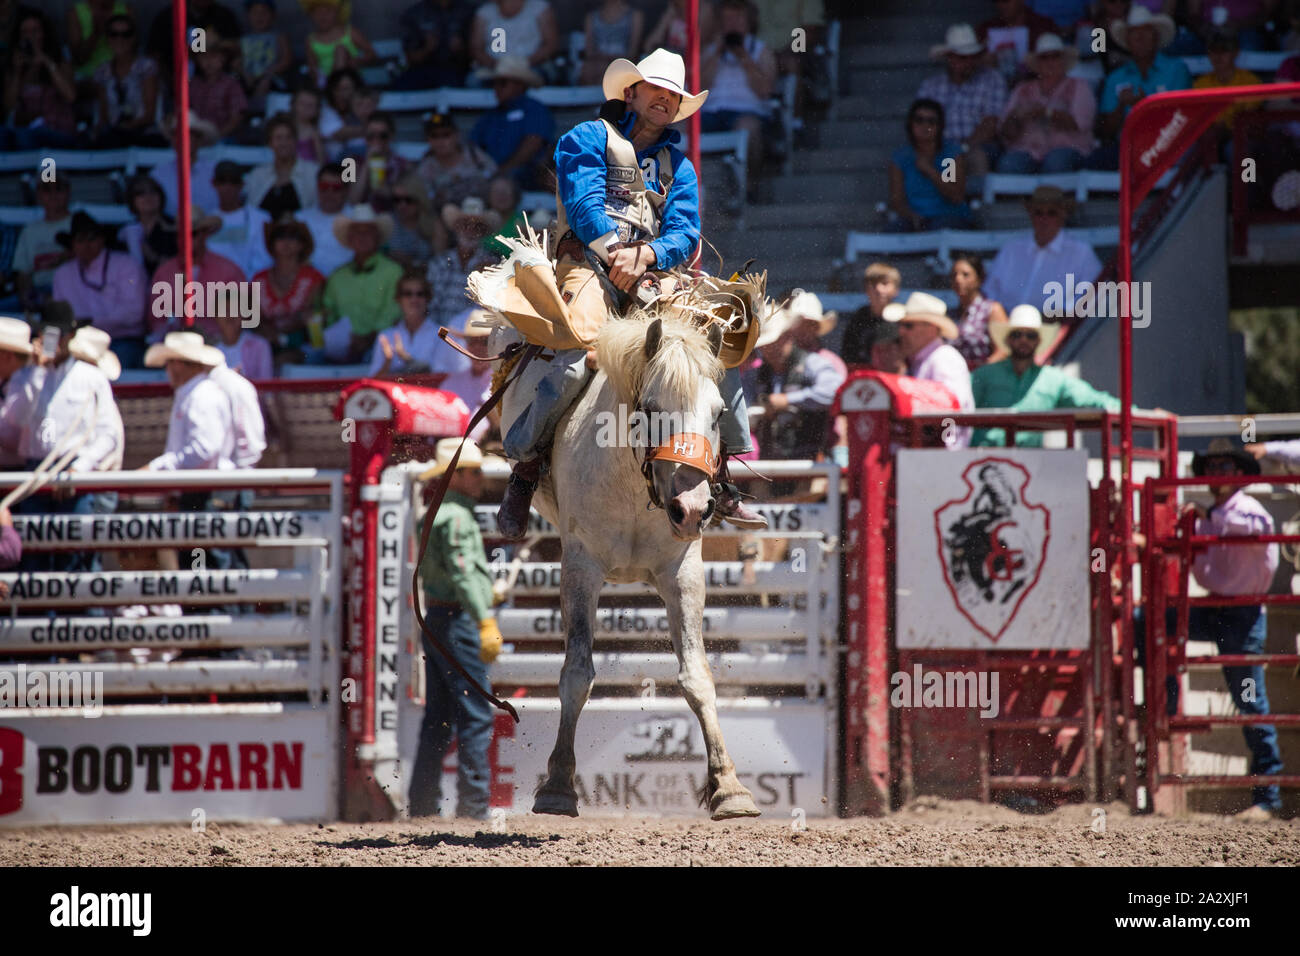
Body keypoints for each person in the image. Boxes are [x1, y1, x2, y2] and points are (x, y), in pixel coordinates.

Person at [498, 48, 766, 537]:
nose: (665, 99)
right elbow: (581, 203)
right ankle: (526, 468)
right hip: (586, 263)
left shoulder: (678, 166)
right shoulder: (585, 138)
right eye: (657, 89)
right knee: (578, 353)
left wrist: (646, 256)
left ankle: (723, 474)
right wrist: (618, 251)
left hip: (650, 273)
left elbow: (685, 232)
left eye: (675, 94)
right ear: (632, 92)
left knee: (711, 352)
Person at [1135, 439, 1283, 819]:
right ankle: (1165, 701)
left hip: (1243, 616)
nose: (1217, 473)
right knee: (1147, 622)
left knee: (1251, 701)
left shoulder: (1246, 511)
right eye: (1213, 466)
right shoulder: (1211, 516)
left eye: (1226, 467)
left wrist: (1205, 517)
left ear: (1237, 476)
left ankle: (1268, 798)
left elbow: (1250, 528)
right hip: (1216, 609)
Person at [408, 437, 503, 820]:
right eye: (473, 471)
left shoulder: (434, 513)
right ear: (456, 476)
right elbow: (463, 575)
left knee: (438, 718)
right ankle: (474, 806)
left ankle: (423, 804)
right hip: (459, 621)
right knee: (476, 713)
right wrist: (484, 618)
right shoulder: (459, 517)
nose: (480, 478)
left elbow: (453, 571)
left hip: (436, 618)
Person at [17, 315, 124, 574]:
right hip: (37, 472)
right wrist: (38, 370)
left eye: (57, 335)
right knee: (33, 559)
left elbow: (108, 432)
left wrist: (79, 469)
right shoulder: (29, 376)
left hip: (74, 473)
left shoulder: (91, 378)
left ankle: (85, 611)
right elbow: (15, 420)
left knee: (77, 559)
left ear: (69, 338)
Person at [970, 304, 1127, 445]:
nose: (1023, 340)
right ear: (1009, 339)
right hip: (984, 461)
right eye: (1017, 334)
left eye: (1030, 335)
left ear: (1038, 340)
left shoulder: (1053, 379)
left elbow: (1093, 399)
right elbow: (960, 404)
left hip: (1030, 466)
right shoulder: (984, 375)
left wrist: (1134, 411)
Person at [743, 297, 846, 469]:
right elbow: (742, 408)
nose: (768, 350)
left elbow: (835, 392)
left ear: (788, 336)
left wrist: (788, 400)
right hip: (768, 465)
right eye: (765, 345)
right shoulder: (754, 375)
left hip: (810, 463)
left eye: (773, 342)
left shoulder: (813, 363)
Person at [1089, 6, 1191, 170]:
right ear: (1127, 41)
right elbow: (1106, 131)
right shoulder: (1115, 78)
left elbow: (1184, 117)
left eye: (1146, 31)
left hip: (1168, 143)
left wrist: (1146, 106)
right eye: (1134, 32)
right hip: (1128, 146)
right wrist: (1121, 106)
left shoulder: (1177, 69)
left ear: (1156, 37)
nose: (1140, 37)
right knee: (1098, 159)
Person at [51, 212, 150, 370]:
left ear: (102, 239)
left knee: (121, 363)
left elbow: (134, 315)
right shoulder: (62, 275)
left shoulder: (126, 265)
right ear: (72, 244)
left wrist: (88, 323)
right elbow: (57, 319)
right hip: (78, 345)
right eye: (80, 240)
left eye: (92, 238)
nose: (87, 245)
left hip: (121, 340)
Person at [700, 0, 777, 201]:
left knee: (748, 128)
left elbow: (765, 91)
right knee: (680, 129)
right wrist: (717, 52)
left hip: (746, 113)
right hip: (710, 113)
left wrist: (743, 57)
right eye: (727, 19)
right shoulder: (710, 51)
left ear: (748, 21)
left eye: (737, 18)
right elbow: (697, 86)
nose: (732, 24)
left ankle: (748, 187)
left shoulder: (761, 50)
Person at [982, 185, 1102, 314]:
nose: (1044, 219)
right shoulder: (1011, 249)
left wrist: (1061, 315)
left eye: (1052, 213)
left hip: (1057, 327)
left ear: (1063, 215)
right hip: (1007, 326)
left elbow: (1094, 295)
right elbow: (989, 292)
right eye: (1038, 213)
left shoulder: (1081, 253)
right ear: (1031, 215)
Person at [917, 23, 1007, 178]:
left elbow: (991, 124)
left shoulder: (992, 79)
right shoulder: (931, 86)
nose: (969, 62)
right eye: (963, 57)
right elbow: (920, 123)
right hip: (940, 148)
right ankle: (949, 198)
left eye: (974, 56)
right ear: (949, 57)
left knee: (970, 158)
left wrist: (962, 148)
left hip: (978, 146)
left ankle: (977, 200)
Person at [997, 33, 1096, 173]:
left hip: (1068, 149)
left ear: (1063, 60)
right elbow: (1004, 132)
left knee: (1055, 162)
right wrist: (1017, 119)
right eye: (1044, 57)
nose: (1050, 62)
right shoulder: (1021, 89)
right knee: (1008, 164)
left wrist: (1045, 112)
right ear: (1037, 62)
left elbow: (1079, 124)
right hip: (1027, 151)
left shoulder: (1079, 86)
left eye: (1055, 56)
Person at [886, 291, 973, 447]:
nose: (901, 332)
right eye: (901, 325)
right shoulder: (922, 361)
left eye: (908, 325)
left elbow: (952, 411)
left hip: (939, 458)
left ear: (931, 328)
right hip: (927, 455)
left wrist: (942, 455)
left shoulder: (944, 358)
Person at [322, 205, 403, 362]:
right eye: (357, 232)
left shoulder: (394, 272)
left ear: (377, 237)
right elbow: (329, 317)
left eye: (368, 231)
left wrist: (366, 341)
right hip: (341, 353)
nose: (362, 236)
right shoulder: (337, 277)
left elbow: (392, 315)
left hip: (383, 350)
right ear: (349, 238)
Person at [150, 209, 245, 341]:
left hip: (218, 345)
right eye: (180, 234)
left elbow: (241, 318)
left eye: (192, 234)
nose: (186, 240)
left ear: (205, 234)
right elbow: (156, 321)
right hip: (177, 346)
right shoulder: (163, 273)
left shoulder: (228, 271)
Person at [469, 56, 555, 190]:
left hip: (523, 173)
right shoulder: (491, 114)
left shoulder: (534, 109)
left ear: (519, 84)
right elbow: (473, 145)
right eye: (494, 83)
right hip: (491, 172)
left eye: (502, 83)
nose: (496, 88)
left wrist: (503, 170)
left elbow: (533, 144)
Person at [888, 98, 973, 231]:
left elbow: (955, 196)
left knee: (938, 229)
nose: (925, 126)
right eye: (919, 120)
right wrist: (912, 216)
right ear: (910, 123)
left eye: (931, 121)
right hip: (915, 218)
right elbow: (897, 201)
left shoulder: (950, 155)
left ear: (940, 126)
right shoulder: (901, 157)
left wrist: (930, 170)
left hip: (949, 216)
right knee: (892, 231)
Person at [1, 9, 79, 150]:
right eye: (25, 32)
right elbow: (9, 107)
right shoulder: (14, 67)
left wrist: (47, 63)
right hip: (24, 129)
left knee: (25, 136)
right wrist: (17, 73)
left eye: (35, 31)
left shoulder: (60, 63)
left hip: (57, 130)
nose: (30, 37)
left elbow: (71, 96)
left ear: (44, 34)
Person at [370, 272, 469, 379]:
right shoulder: (385, 336)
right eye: (408, 294)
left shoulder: (442, 334)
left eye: (420, 294)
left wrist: (407, 359)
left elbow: (439, 377)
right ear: (398, 299)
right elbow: (373, 383)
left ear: (428, 298)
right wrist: (387, 362)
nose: (414, 299)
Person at [251, 218, 325, 358]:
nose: (286, 242)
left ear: (302, 244)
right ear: (271, 244)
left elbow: (312, 315)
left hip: (303, 345)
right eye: (280, 236)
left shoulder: (313, 278)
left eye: (293, 237)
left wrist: (284, 334)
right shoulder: (258, 279)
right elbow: (255, 320)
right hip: (267, 345)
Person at [92, 14, 167, 149]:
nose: (120, 39)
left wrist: (125, 127)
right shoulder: (102, 72)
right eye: (113, 34)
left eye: (126, 34)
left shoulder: (147, 67)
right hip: (112, 136)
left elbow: (150, 114)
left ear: (134, 38)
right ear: (107, 38)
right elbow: (103, 116)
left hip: (144, 134)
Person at [428, 197, 501, 328]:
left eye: (477, 226)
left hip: (474, 337)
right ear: (456, 228)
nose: (470, 230)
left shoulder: (493, 265)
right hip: (437, 334)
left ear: (484, 232)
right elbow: (429, 306)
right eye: (465, 224)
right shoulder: (439, 263)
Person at [417, 110, 496, 218]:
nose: (440, 141)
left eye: (446, 135)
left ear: (456, 135)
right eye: (434, 136)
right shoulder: (426, 167)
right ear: (428, 139)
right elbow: (427, 204)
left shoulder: (474, 156)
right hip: (447, 221)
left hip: (483, 214)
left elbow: (495, 177)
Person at [12, 178, 73, 314]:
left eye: (58, 188)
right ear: (38, 194)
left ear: (68, 192)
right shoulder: (29, 230)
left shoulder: (78, 223)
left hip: (72, 292)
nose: (53, 194)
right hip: (38, 292)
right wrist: (26, 296)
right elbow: (22, 272)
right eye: (46, 190)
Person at [245, 114, 321, 221]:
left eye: (288, 137)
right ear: (269, 143)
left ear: (295, 141)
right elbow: (250, 211)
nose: (284, 143)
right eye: (278, 138)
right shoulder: (257, 175)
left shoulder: (313, 173)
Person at [147, 0, 242, 84]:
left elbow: (238, 47)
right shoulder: (168, 16)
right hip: (175, 87)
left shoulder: (224, 15)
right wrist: (171, 82)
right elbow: (154, 55)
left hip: (217, 86)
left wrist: (216, 43)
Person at [208, 161, 274, 279]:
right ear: (214, 184)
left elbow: (264, 261)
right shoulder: (206, 220)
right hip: (213, 290)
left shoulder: (261, 218)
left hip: (248, 289)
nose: (228, 187)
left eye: (233, 182)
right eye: (222, 181)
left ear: (241, 185)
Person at [826, 262, 900, 367]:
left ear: (896, 290)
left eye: (884, 283)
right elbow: (848, 356)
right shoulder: (858, 319)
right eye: (874, 284)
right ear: (866, 289)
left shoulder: (904, 320)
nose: (878, 289)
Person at [150, 113, 223, 218]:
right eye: (176, 134)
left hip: (214, 229)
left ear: (198, 139)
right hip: (172, 231)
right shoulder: (157, 175)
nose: (181, 139)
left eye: (187, 134)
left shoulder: (216, 171)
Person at [438, 309, 496, 441]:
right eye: (472, 341)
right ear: (466, 345)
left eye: (484, 342)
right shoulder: (450, 385)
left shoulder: (506, 383)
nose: (477, 348)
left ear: (495, 344)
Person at [1192, 30, 1263, 135]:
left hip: (1240, 137)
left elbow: (1249, 120)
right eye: (1214, 50)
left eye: (1224, 50)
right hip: (1209, 138)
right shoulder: (1200, 85)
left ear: (1236, 52)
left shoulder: (1250, 82)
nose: (1218, 56)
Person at [469, 0, 559, 81]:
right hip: (493, 69)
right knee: (473, 80)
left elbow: (551, 44)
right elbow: (477, 48)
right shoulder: (484, 12)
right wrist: (497, 66)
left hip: (533, 67)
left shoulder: (540, 8)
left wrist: (524, 64)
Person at [395, 0, 476, 90]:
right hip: (422, 69)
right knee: (401, 87)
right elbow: (410, 57)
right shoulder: (415, 14)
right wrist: (427, 48)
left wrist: (460, 49)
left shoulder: (468, 12)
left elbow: (477, 53)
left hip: (458, 69)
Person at [949, 252, 1008, 369]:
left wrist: (982, 372)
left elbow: (1003, 350)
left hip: (981, 376)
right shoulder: (950, 313)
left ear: (979, 279)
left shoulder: (991, 310)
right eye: (954, 275)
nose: (958, 279)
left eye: (965, 275)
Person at [349, 112, 414, 212]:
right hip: (361, 221)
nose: (376, 140)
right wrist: (367, 163)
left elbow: (408, 201)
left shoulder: (404, 165)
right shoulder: (352, 163)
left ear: (391, 136)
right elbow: (353, 201)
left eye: (382, 136)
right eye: (371, 136)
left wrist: (386, 190)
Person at [298, 163, 355, 277]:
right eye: (324, 187)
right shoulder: (300, 219)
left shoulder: (357, 219)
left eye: (336, 188)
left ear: (346, 190)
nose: (329, 193)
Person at [303, 0, 376, 88]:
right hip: (325, 83)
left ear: (338, 13)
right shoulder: (311, 40)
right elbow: (313, 67)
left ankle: (337, 85)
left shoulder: (350, 32)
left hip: (351, 80)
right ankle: (334, 88)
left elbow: (372, 54)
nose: (323, 16)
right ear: (310, 15)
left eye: (328, 11)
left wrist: (357, 61)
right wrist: (315, 76)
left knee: (340, 50)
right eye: (317, 12)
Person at [119, 175, 179, 280]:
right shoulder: (126, 231)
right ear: (132, 199)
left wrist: (153, 256)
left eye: (153, 191)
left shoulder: (175, 227)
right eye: (140, 193)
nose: (148, 196)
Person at [0, 315, 40, 470]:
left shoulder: (34, 383)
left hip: (23, 469)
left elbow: (15, 434)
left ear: (6, 356)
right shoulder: (7, 379)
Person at [191, 40, 249, 143]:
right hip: (196, 137)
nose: (208, 62)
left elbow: (237, 116)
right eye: (204, 57)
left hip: (224, 137)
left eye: (213, 57)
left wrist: (218, 136)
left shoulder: (231, 84)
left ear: (223, 59)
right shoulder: (194, 84)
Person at [237, 0, 291, 108]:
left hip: (273, 80)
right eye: (255, 13)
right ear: (248, 16)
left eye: (264, 13)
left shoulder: (279, 37)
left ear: (273, 16)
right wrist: (245, 74)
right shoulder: (243, 39)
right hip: (249, 80)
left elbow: (287, 60)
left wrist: (268, 75)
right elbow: (240, 61)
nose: (259, 17)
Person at [580, 0, 644, 86]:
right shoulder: (591, 17)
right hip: (597, 65)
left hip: (623, 64)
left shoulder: (635, 16)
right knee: (588, 69)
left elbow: (633, 53)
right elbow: (589, 53)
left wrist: (610, 63)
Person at [65, 0, 128, 82]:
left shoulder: (126, 10)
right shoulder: (75, 13)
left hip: (121, 77)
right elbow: (78, 60)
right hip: (86, 77)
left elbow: (133, 53)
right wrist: (96, 33)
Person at [387, 174, 436, 270]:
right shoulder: (388, 222)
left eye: (408, 200)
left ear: (420, 200)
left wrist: (410, 263)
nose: (402, 205)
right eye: (397, 200)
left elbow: (440, 264)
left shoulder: (434, 225)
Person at [318, 67, 364, 161]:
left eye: (346, 89)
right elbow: (338, 133)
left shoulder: (363, 109)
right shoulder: (325, 111)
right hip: (333, 166)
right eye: (338, 89)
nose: (342, 94)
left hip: (360, 164)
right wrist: (369, 130)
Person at [214, 311, 273, 381]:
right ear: (216, 317)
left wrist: (242, 382)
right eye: (225, 311)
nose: (230, 315)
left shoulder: (260, 345)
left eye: (234, 310)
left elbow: (266, 383)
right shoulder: (211, 349)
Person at [290, 86, 326, 164]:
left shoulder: (314, 132)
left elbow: (321, 159)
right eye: (301, 103)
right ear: (293, 104)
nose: (305, 108)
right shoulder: (284, 127)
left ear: (317, 110)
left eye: (310, 105)